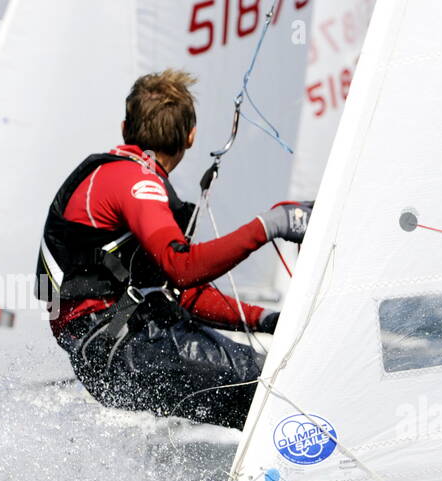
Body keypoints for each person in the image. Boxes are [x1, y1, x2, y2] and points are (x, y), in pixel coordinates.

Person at [37, 69, 310, 428]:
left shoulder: (122, 181)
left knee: (264, 411)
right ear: (191, 136)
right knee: (287, 389)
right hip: (124, 347)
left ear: (124, 128)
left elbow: (181, 291)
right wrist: (270, 225)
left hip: (110, 355)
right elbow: (181, 267)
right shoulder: (136, 183)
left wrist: (267, 319)